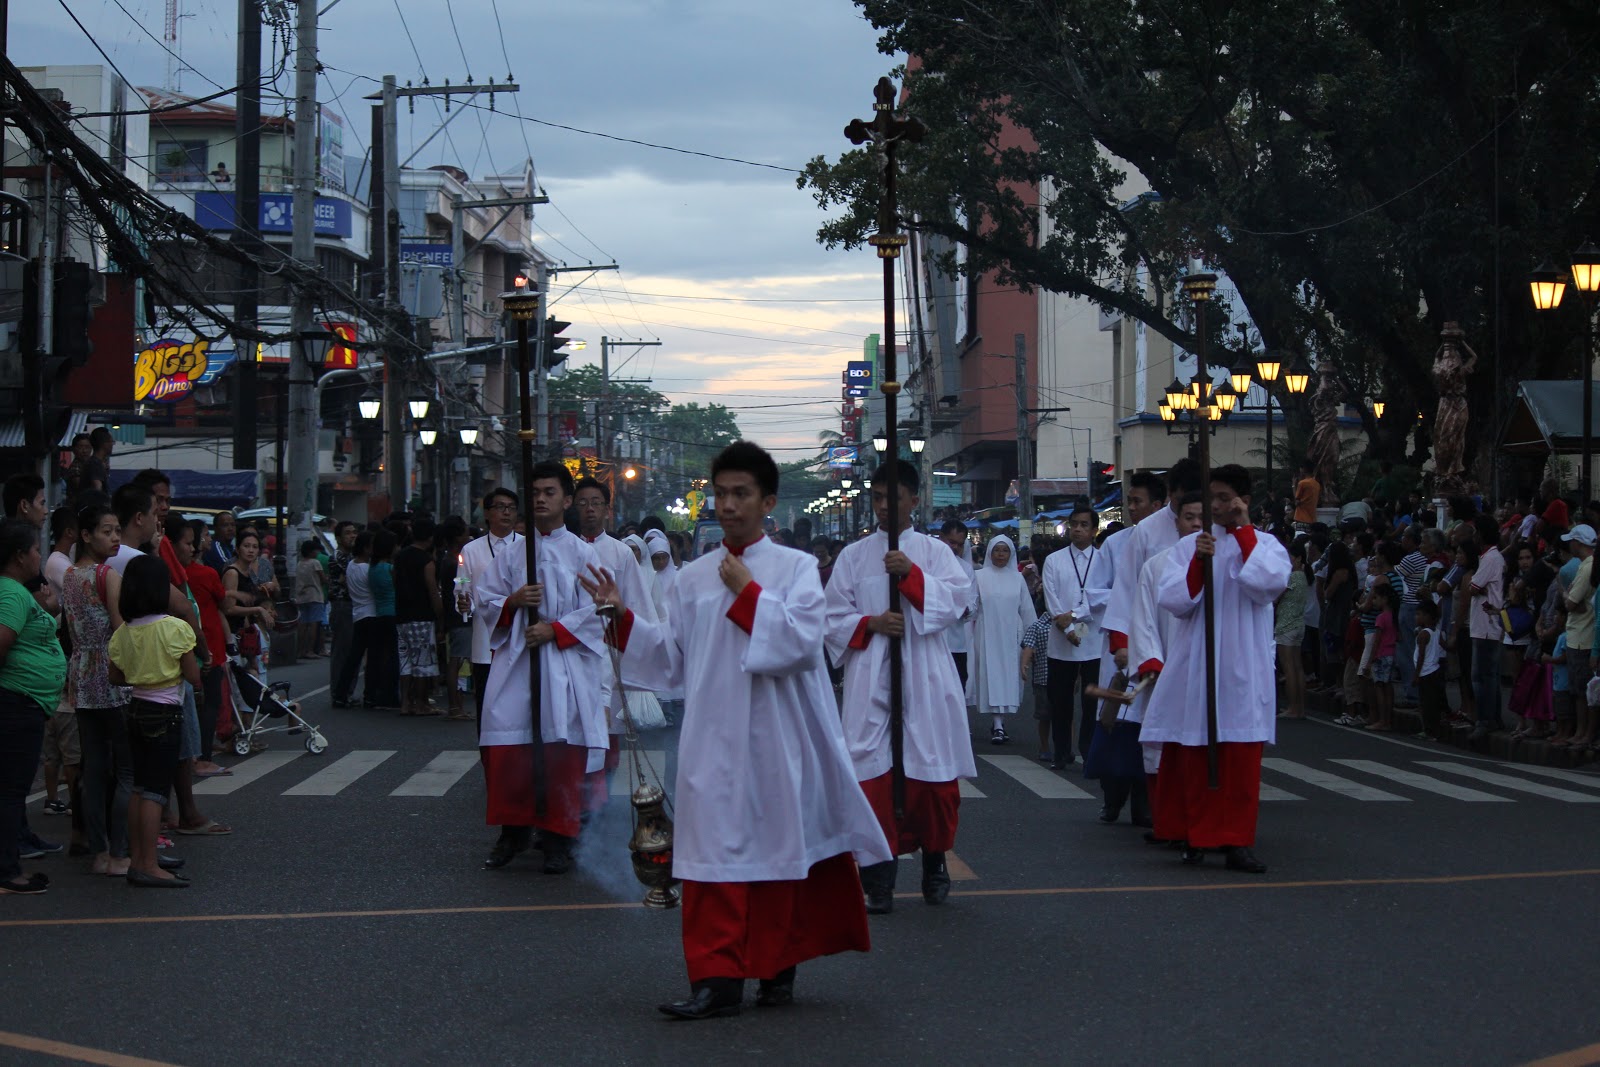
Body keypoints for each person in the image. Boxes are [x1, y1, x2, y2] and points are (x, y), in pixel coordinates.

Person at [611, 440, 890, 1019]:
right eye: (721, 493)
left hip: (775, 736)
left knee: (775, 853)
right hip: (710, 735)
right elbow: (670, 659)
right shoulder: (689, 579)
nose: (728, 505)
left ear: (768, 502)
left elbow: (801, 646)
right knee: (708, 856)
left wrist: (747, 590)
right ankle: (714, 980)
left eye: (741, 494)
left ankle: (775, 968)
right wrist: (622, 620)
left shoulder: (795, 570)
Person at [825, 459, 975, 914]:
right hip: (873, 672)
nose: (885, 506)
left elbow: (957, 601)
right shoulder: (853, 556)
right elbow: (831, 616)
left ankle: (934, 863)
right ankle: (879, 877)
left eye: (894, 497)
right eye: (876, 497)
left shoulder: (933, 552)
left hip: (924, 672)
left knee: (930, 779)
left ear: (914, 499)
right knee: (872, 775)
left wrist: (910, 575)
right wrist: (869, 622)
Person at [1140, 465, 1290, 874]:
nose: (1218, 506)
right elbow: (1174, 601)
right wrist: (1198, 564)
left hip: (1242, 664)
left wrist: (1242, 534)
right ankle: (1195, 833)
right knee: (1195, 755)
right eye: (1213, 499)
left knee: (1238, 762)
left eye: (1226, 498)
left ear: (1243, 500)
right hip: (1197, 664)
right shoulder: (1189, 547)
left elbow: (1267, 586)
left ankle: (1236, 840)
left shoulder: (1266, 544)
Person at [475, 462, 606, 875]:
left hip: (563, 665)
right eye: (534, 492)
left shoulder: (583, 553)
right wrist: (513, 601)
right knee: (509, 751)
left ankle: (558, 839)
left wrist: (555, 630)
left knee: (559, 754)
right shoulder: (513, 550)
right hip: (517, 659)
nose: (541, 499)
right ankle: (512, 832)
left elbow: (599, 610)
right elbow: (484, 598)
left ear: (566, 500)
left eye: (550, 492)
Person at [107, 555, 199, 887]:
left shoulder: (124, 632)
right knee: (156, 792)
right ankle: (148, 864)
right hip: (165, 713)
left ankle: (138, 857)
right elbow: (192, 675)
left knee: (138, 787)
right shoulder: (175, 628)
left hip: (134, 710)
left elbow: (116, 677)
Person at [1124, 492, 1208, 837]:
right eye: (1190, 518)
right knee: (1162, 750)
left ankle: (1203, 822)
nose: (1197, 525)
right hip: (1165, 674)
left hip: (1206, 676)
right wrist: (1152, 661)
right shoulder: (1156, 566)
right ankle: (1168, 821)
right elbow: (1142, 619)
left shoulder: (1225, 565)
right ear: (1177, 522)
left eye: (1203, 519)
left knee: (1204, 752)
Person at [572, 478, 657, 791]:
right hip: (571, 651)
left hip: (609, 652)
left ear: (607, 510)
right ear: (572, 505)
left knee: (607, 735)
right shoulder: (565, 549)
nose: (590, 509)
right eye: (583, 502)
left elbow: (638, 608)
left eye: (596, 502)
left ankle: (600, 809)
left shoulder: (621, 554)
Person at [61, 504, 132, 876]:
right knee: (125, 771)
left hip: (82, 675)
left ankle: (99, 851)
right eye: (107, 531)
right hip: (111, 673)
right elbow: (120, 631)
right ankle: (119, 853)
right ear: (86, 535)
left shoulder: (70, 576)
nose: (115, 537)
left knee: (93, 769)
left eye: (117, 530)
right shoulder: (107, 575)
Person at [0, 521, 68, 894]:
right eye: (36, 549)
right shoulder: (10, 593)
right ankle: (8, 872)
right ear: (19, 555)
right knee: (10, 792)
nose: (39, 556)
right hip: (16, 703)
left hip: (22, 703)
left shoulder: (16, 593)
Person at [1041, 503, 1107, 768]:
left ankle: (1088, 748)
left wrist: (1076, 615)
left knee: (1091, 699)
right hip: (1061, 638)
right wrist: (1066, 627)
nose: (1078, 529)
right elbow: (1050, 597)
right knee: (1060, 700)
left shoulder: (1103, 560)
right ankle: (1061, 751)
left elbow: (1103, 596)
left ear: (1094, 530)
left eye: (1084, 525)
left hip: (1093, 638)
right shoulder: (1054, 560)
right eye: (1074, 524)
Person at [459, 490, 522, 727]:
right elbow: (463, 588)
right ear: (487, 513)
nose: (506, 512)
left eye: (511, 507)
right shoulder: (472, 550)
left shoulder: (529, 547)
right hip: (485, 638)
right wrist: (464, 603)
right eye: (500, 507)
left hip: (520, 637)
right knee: (486, 705)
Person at [968, 535, 1033, 744]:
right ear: (990, 552)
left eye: (1005, 550)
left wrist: (1031, 643)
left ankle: (1000, 723)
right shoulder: (979, 577)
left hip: (1011, 636)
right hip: (985, 634)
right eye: (997, 550)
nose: (1000, 555)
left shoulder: (1018, 578)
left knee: (1007, 677)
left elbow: (1027, 610)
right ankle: (995, 724)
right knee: (989, 676)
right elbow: (972, 608)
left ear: (1011, 553)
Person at [184, 520, 230, 775]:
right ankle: (203, 754)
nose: (207, 541)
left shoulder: (180, 574)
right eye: (202, 537)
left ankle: (197, 750)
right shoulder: (206, 574)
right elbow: (223, 602)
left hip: (190, 643)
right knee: (210, 701)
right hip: (209, 642)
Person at [392, 518, 442, 717]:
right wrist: (440, 616)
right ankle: (421, 703)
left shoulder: (400, 556)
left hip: (402, 614)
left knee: (405, 661)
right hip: (422, 615)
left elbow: (394, 580)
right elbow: (432, 590)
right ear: (430, 537)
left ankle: (405, 702)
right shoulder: (427, 561)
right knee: (423, 661)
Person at [1467, 515, 1506, 739]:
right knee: (1489, 675)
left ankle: (1485, 719)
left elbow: (1473, 587)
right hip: (1487, 622)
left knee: (1481, 676)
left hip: (1486, 624)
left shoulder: (1490, 559)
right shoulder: (1491, 558)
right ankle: (1494, 718)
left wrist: (1478, 589)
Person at [1560, 524, 1597, 750]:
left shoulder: (1586, 567)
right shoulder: (1588, 566)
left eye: (1572, 540)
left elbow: (1571, 603)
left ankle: (1584, 734)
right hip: (1580, 633)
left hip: (1583, 635)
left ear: (1578, 543)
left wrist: (1566, 592)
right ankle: (1581, 732)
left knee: (1583, 692)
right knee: (1580, 691)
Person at [435, 517, 474, 720]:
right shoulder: (453, 561)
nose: (468, 537)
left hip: (456, 616)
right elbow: (462, 585)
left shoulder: (450, 558)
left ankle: (457, 705)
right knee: (457, 661)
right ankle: (454, 706)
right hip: (459, 616)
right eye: (465, 533)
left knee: (458, 660)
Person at [223, 529, 274, 679]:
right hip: (231, 634)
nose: (251, 550)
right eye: (246, 546)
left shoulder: (248, 572)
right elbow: (228, 609)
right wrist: (258, 609)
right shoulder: (233, 573)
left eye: (254, 547)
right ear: (238, 549)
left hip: (242, 634)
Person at [332, 532, 374, 709]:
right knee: (368, 657)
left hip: (357, 612)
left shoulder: (351, 565)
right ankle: (369, 695)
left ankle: (341, 694)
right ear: (366, 548)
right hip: (370, 613)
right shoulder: (367, 569)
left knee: (353, 657)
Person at [1276, 539, 1311, 719]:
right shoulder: (1303, 577)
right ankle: (1300, 708)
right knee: (1297, 667)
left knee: (1289, 668)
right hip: (1298, 625)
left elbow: (1275, 597)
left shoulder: (1291, 577)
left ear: (1298, 559)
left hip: (1286, 625)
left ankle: (1293, 707)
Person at [366, 530, 400, 710]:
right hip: (393, 612)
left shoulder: (372, 568)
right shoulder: (389, 568)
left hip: (380, 613)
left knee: (381, 656)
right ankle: (391, 694)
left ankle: (377, 693)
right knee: (394, 656)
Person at [1019, 607, 1054, 761]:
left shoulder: (1072, 624)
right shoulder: (1038, 626)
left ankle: (1065, 747)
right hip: (1043, 679)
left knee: (1066, 716)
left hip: (1066, 677)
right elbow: (1028, 646)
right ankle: (1044, 746)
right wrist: (1024, 665)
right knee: (1044, 716)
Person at [326, 521, 357, 690]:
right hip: (342, 605)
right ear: (338, 538)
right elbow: (348, 579)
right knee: (342, 651)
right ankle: (339, 691)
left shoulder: (353, 557)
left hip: (352, 605)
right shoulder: (338, 557)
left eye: (354, 532)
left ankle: (346, 691)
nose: (353, 536)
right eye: (348, 533)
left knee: (351, 650)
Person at [294, 539, 327, 662]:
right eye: (315, 550)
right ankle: (310, 650)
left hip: (302, 597)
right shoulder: (315, 563)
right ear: (311, 551)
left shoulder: (299, 563)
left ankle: (300, 650)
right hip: (315, 595)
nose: (317, 552)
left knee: (302, 624)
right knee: (314, 624)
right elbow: (323, 579)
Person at [1293, 460, 1320, 528]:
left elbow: (1296, 502)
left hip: (1301, 518)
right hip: (1312, 518)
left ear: (1303, 469)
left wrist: (1293, 486)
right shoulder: (1317, 484)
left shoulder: (1302, 483)